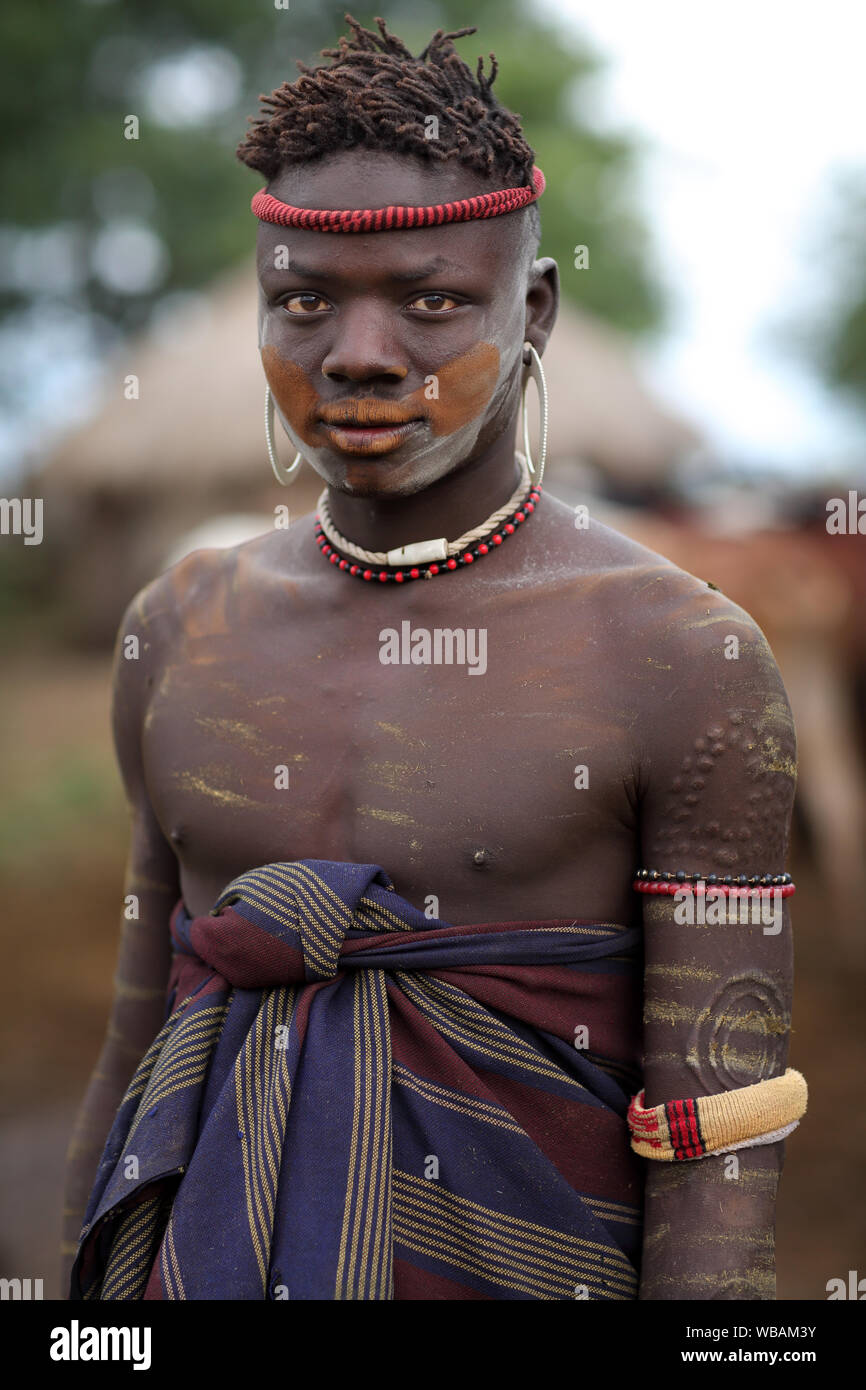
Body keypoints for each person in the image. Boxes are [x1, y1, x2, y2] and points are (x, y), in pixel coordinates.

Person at [63, 16, 805, 1301]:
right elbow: (143, 1039)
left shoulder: (682, 657)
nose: (357, 354)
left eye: (432, 300)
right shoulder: (179, 625)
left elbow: (717, 1128)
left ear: (533, 311)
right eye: (303, 300)